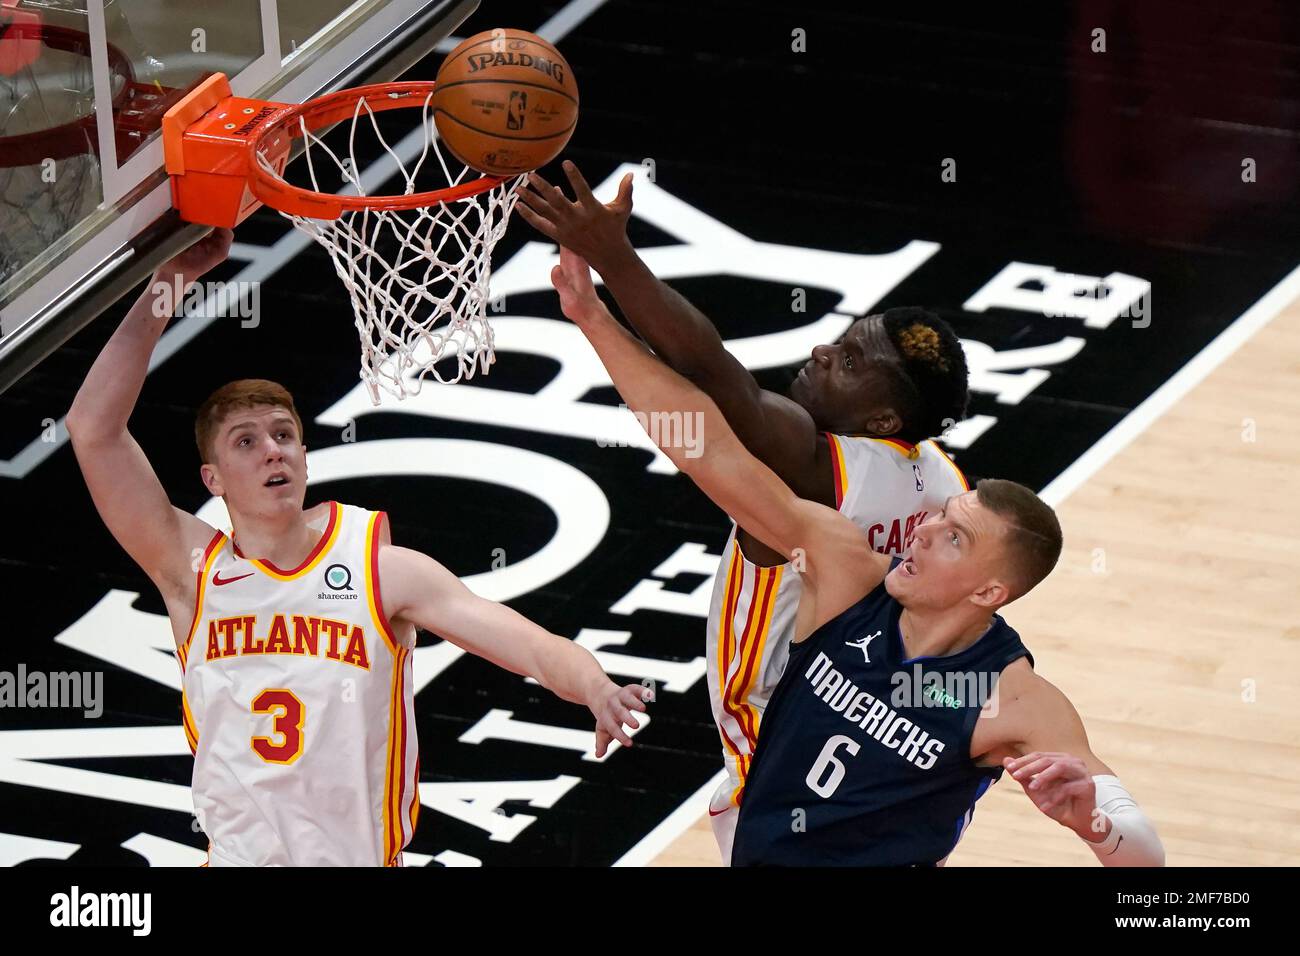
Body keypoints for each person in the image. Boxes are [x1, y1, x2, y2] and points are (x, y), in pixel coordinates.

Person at [549, 247, 1164, 866]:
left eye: (954, 537)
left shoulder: (998, 695)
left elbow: (1145, 860)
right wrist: (594, 318)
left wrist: (1095, 826)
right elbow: (706, 448)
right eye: (941, 519)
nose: (923, 532)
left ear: (989, 593)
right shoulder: (843, 577)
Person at [64, 228, 651, 867]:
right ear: (212, 480)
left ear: (305, 457)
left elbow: (527, 645)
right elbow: (93, 430)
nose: (272, 451)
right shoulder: (190, 570)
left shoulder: (379, 570)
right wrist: (166, 285)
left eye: (284, 435)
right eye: (245, 442)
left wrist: (595, 686)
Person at [519, 162, 971, 862]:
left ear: (883, 415)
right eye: (840, 340)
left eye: (850, 361)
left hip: (787, 760)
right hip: (886, 760)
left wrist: (613, 263)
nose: (823, 350)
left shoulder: (820, 468)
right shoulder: (945, 485)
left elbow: (709, 376)